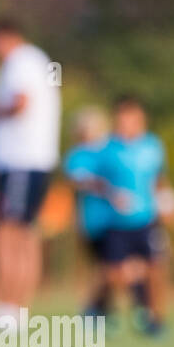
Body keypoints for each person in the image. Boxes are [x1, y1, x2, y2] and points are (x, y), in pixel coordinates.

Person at [0, 18, 60, 331]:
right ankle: (17, 309)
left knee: (9, 233)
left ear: (3, 37)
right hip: (30, 161)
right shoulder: (34, 60)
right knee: (24, 233)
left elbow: (21, 104)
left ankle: (8, 306)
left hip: (20, 161)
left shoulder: (21, 62)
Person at [96, 95, 174, 336]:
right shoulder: (107, 148)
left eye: (130, 118)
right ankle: (100, 310)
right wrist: (111, 193)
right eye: (121, 118)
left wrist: (169, 203)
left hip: (147, 219)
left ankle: (155, 320)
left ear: (140, 119)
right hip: (116, 222)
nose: (124, 123)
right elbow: (92, 180)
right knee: (114, 273)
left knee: (156, 267)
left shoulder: (153, 146)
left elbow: (159, 180)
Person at [61, 106, 116, 320]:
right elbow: (77, 182)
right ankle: (93, 308)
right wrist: (101, 185)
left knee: (111, 267)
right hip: (92, 221)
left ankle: (100, 310)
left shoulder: (109, 151)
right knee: (104, 266)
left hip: (116, 219)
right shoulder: (77, 156)